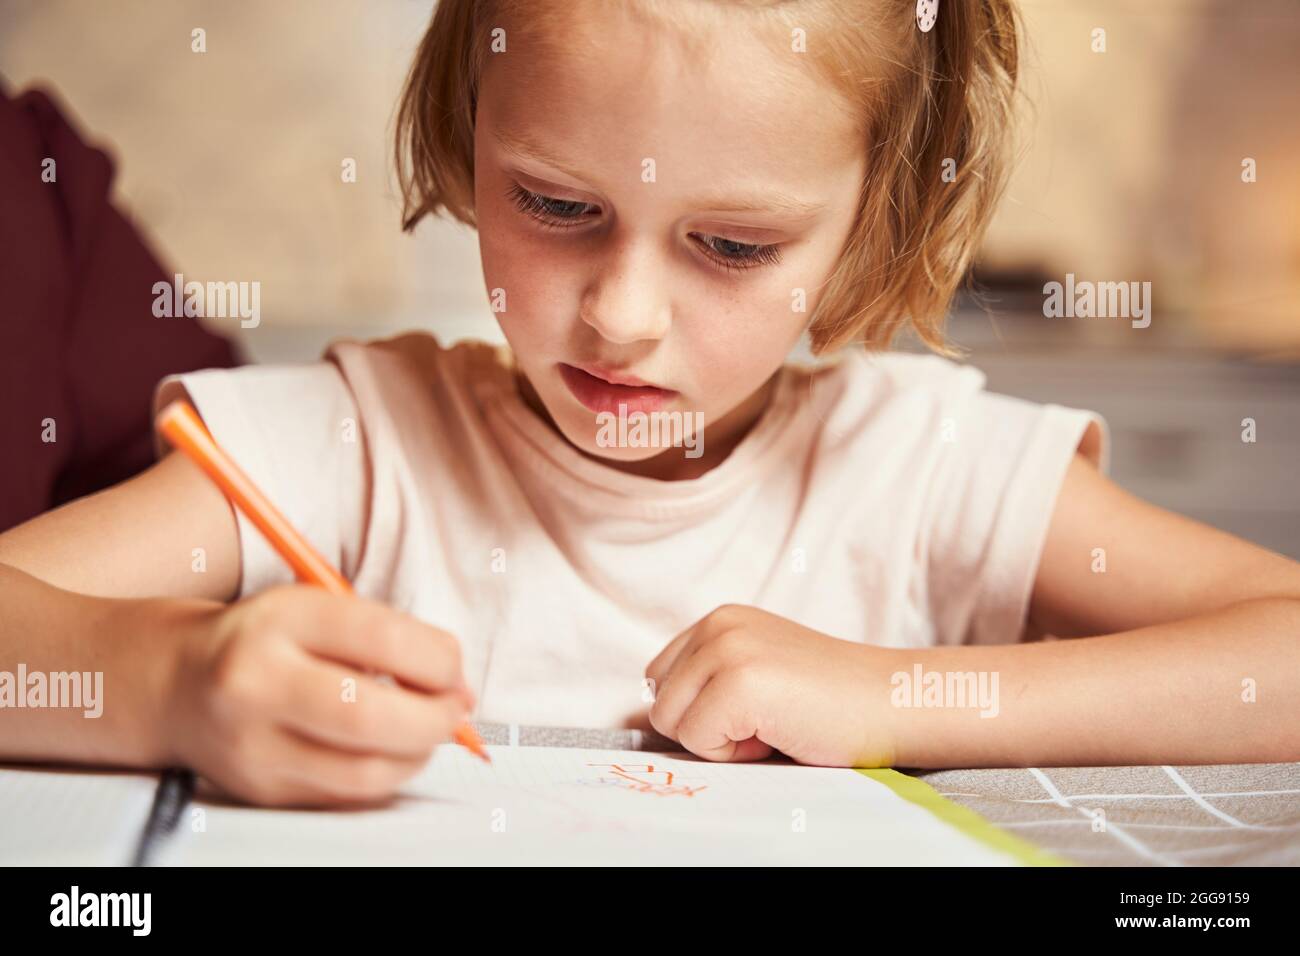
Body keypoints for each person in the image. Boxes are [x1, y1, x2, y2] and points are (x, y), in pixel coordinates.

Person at [1, 0, 1296, 808]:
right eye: (557, 207)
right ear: (466, 134)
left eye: (731, 246)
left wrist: (902, 697)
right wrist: (172, 685)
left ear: (869, 233)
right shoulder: (355, 447)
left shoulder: (922, 465)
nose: (620, 315)